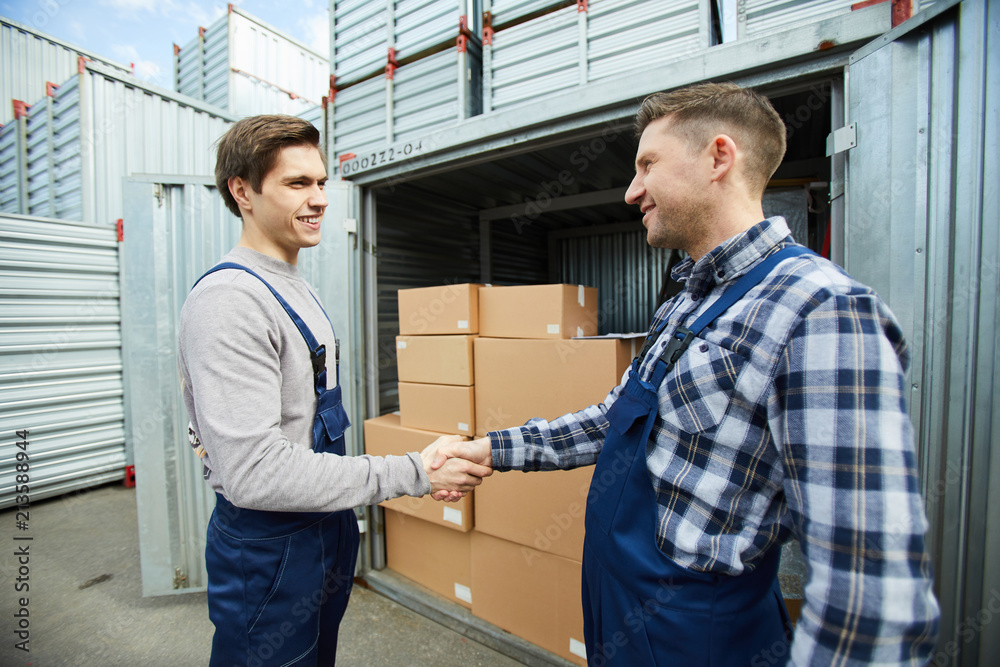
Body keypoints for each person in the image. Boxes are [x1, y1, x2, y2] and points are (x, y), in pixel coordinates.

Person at [432, 82, 940, 665]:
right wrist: (492, 450)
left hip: (698, 637)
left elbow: (868, 587)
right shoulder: (686, 300)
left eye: (647, 165)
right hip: (616, 604)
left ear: (718, 157)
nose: (631, 191)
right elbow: (614, 420)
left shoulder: (820, 312)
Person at [179, 114, 489, 666]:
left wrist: (410, 476)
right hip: (270, 547)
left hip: (324, 526)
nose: (319, 198)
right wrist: (416, 472)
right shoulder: (230, 301)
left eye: (321, 182)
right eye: (297, 184)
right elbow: (256, 472)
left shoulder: (293, 285)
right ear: (242, 191)